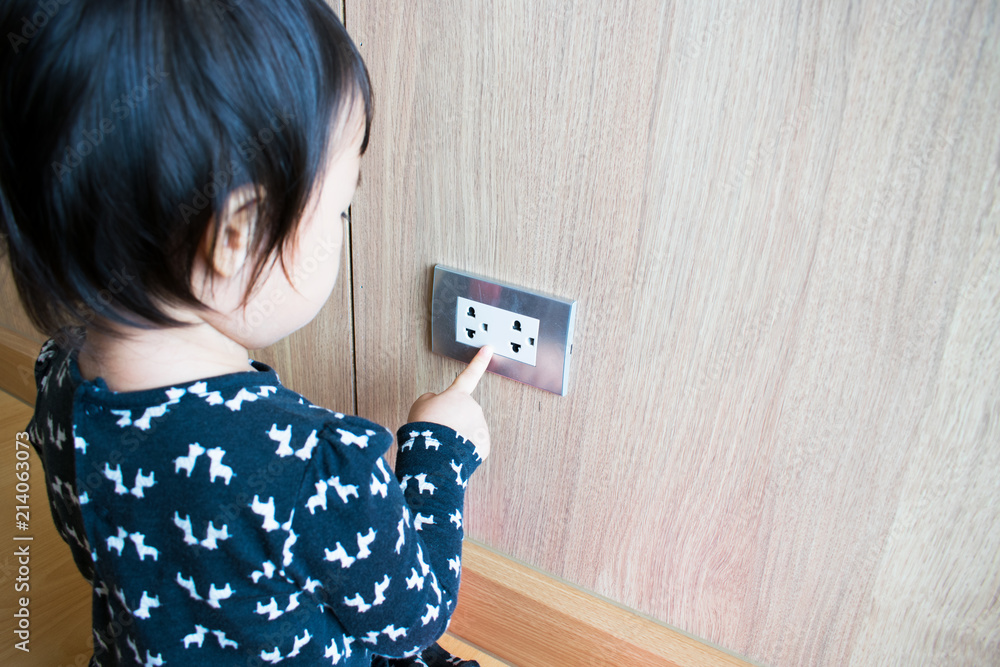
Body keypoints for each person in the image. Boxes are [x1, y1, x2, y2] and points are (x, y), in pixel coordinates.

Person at [0, 1, 493, 665]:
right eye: (339, 211)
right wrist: (440, 450)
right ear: (235, 237)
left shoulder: (60, 386)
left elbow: (100, 555)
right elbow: (414, 618)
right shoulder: (311, 470)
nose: (342, 226)